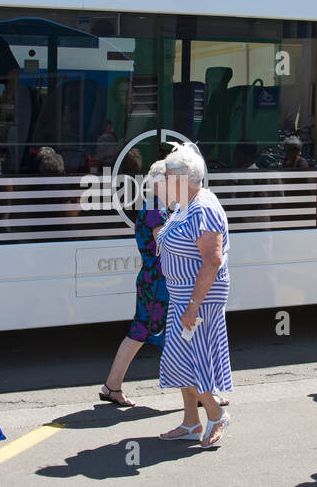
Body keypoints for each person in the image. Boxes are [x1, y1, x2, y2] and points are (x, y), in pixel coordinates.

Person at [155, 143, 232, 447]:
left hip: (197, 299)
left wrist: (193, 305)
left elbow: (212, 260)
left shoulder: (203, 207)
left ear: (186, 177)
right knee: (183, 359)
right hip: (182, 295)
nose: (166, 178)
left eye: (170, 174)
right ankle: (191, 423)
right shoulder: (186, 205)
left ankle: (215, 413)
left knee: (185, 358)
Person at [99, 160, 170, 407]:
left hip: (152, 280)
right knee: (175, 336)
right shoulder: (157, 212)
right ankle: (202, 394)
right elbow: (168, 246)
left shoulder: (154, 207)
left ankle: (112, 386)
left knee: (141, 333)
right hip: (158, 283)